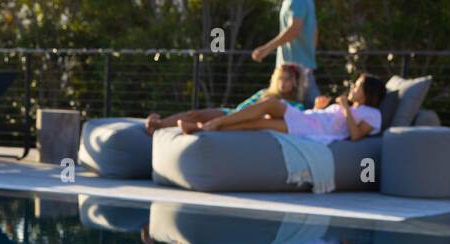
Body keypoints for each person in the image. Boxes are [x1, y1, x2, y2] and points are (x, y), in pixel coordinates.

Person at [189, 73, 384, 144]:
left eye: (358, 86)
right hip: (309, 119)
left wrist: (345, 109)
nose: (353, 88)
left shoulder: (373, 114)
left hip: (311, 129)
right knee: (267, 109)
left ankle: (210, 126)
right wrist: (319, 107)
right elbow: (327, 118)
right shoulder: (348, 106)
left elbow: (356, 135)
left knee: (260, 121)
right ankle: (212, 125)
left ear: (369, 92)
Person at [144, 62, 305, 137]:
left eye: (288, 80)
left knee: (210, 121)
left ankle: (197, 128)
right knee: (196, 113)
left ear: (296, 83)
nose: (283, 83)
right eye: (280, 79)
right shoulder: (265, 93)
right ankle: (159, 124)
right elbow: (243, 107)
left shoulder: (296, 106)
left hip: (243, 122)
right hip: (232, 113)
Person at [252, 0, 321, 105]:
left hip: (293, 67)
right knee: (312, 108)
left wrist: (266, 49)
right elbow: (314, 31)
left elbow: (294, 28)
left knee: (313, 108)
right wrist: (309, 55)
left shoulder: (296, 1)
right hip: (302, 64)